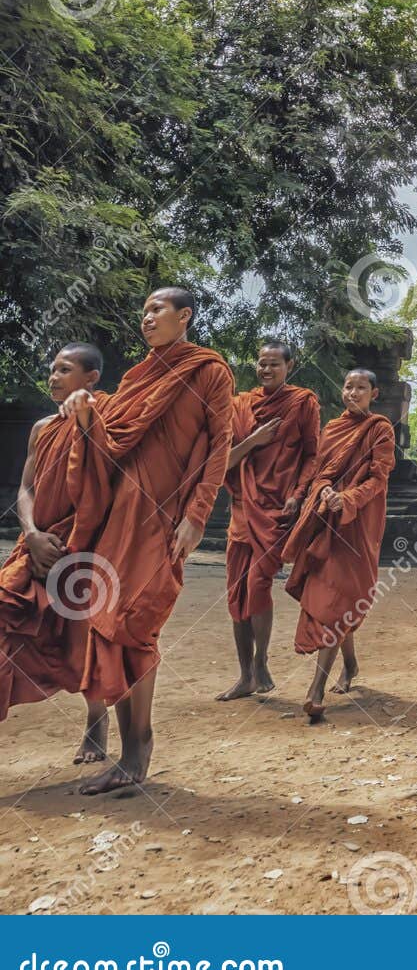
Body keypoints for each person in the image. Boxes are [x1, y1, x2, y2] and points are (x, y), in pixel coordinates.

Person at [68, 288, 234, 795]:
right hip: (122, 515)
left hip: (167, 519)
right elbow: (111, 435)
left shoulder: (209, 372)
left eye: (157, 310)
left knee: (137, 624)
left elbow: (220, 444)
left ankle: (138, 751)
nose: (146, 318)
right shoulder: (138, 378)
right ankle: (128, 752)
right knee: (108, 621)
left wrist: (197, 516)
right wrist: (84, 407)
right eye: (142, 311)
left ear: (184, 317)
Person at [0, 345, 112, 763]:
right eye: (52, 369)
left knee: (82, 636)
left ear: (91, 378)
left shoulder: (107, 425)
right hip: (35, 546)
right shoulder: (42, 428)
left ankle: (96, 722)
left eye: (64, 370)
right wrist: (31, 533)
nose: (53, 377)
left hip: (84, 547)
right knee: (6, 617)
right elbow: (25, 488)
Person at [283, 369, 395, 722]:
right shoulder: (332, 428)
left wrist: (347, 498)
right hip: (326, 522)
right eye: (348, 386)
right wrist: (320, 491)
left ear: (373, 393)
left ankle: (318, 686)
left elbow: (380, 476)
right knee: (332, 599)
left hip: (359, 523)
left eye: (361, 387)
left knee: (341, 595)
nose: (353, 393)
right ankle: (339, 672)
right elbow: (320, 470)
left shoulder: (380, 429)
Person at [217, 341, 320, 701]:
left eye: (274, 364)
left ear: (289, 366)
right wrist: (254, 441)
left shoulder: (303, 402)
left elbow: (312, 455)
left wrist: (298, 492)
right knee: (235, 591)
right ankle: (245, 674)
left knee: (258, 584)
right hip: (242, 508)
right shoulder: (239, 406)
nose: (266, 370)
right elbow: (222, 462)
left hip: (277, 509)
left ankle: (261, 664)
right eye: (262, 364)